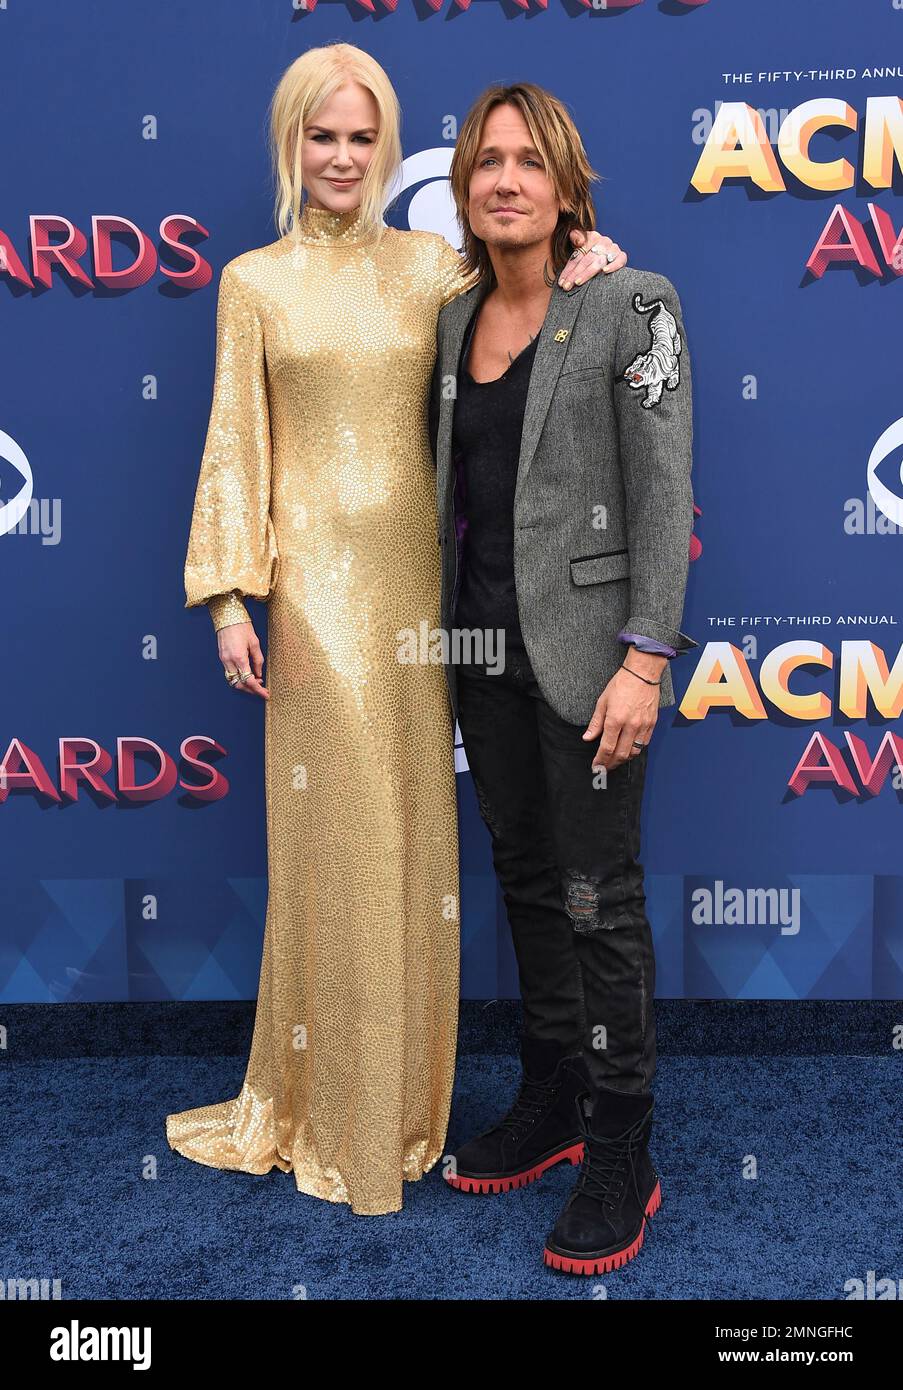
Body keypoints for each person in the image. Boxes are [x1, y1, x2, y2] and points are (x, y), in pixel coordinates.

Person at [165, 43, 627, 1216]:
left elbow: (527, 304)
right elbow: (235, 439)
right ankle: (327, 1110)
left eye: (362, 137)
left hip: (428, 607)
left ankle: (409, 1114)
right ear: (291, 144)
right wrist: (232, 596)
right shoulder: (253, 282)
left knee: (420, 858)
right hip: (314, 608)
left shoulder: (433, 267)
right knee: (339, 856)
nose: (341, 156)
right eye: (321, 136)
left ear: (386, 147)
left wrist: (589, 254)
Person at [430, 82, 698, 1269]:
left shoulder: (633, 303)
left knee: (598, 901)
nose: (505, 181)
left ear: (565, 183)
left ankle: (621, 1145)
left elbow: (661, 495)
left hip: (595, 664)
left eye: (528, 163)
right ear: (464, 186)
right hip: (479, 655)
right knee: (530, 887)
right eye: (487, 161)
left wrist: (645, 659)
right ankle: (549, 1098)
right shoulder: (450, 321)